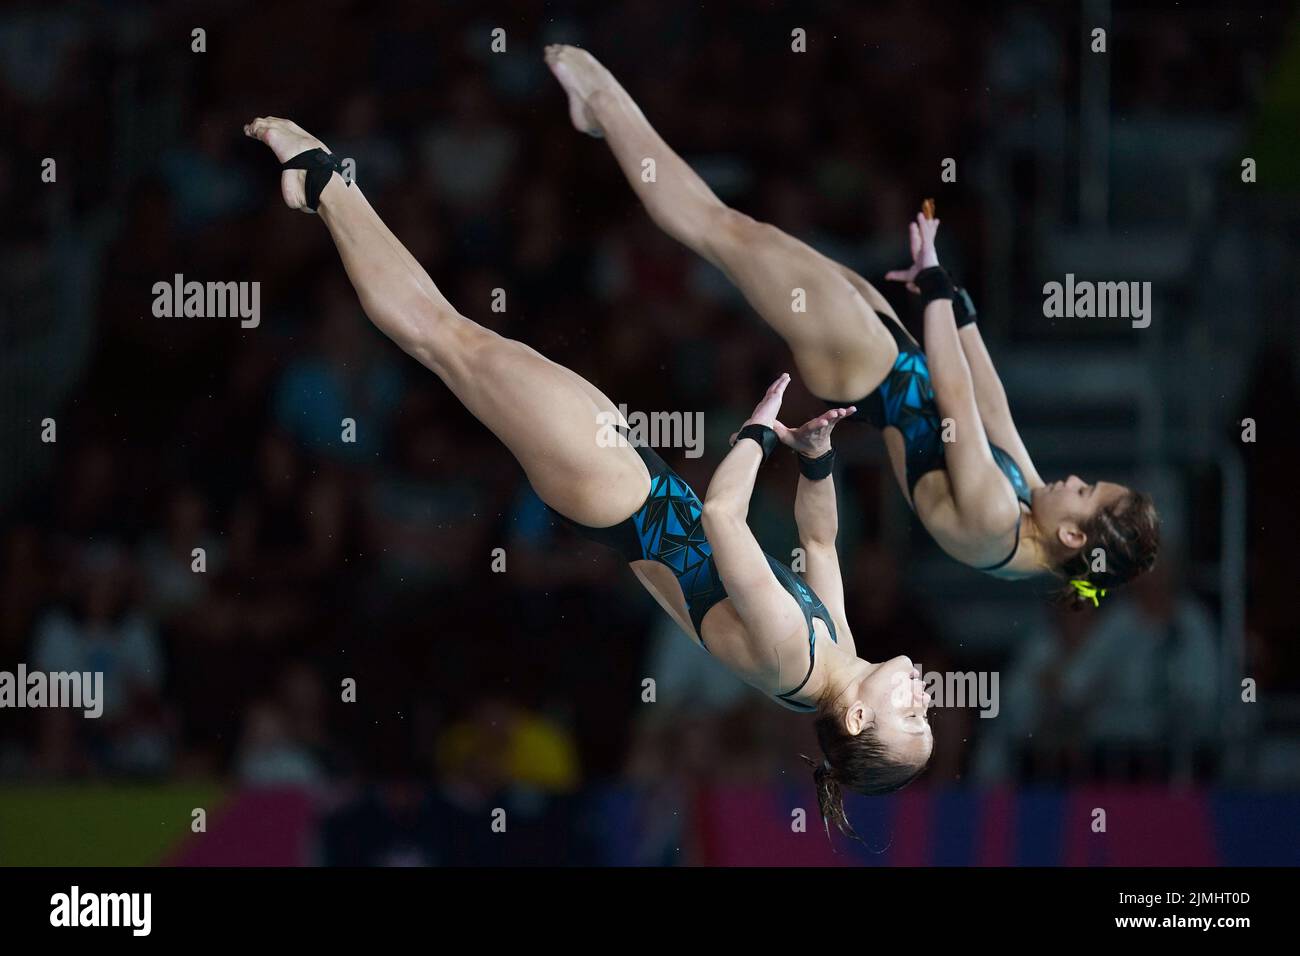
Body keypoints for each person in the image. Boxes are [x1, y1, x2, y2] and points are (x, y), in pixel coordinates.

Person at [245, 116, 933, 835]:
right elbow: (819, 545)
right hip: (630, 483)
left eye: (911, 717)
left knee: (447, 339)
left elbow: (723, 517)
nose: (923, 699)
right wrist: (817, 461)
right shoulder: (833, 656)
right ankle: (323, 187)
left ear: (858, 719)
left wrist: (759, 432)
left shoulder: (796, 654)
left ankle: (321, 181)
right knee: (455, 341)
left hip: (617, 493)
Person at [545, 45, 1159, 608]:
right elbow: (993, 407)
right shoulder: (1031, 518)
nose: (1073, 480)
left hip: (866, 365)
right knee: (738, 232)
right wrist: (959, 309)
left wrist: (935, 287)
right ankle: (606, 114)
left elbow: (958, 401)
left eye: (1085, 491)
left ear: (1073, 535)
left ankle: (603, 104)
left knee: (721, 230)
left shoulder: (996, 520)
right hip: (889, 353)